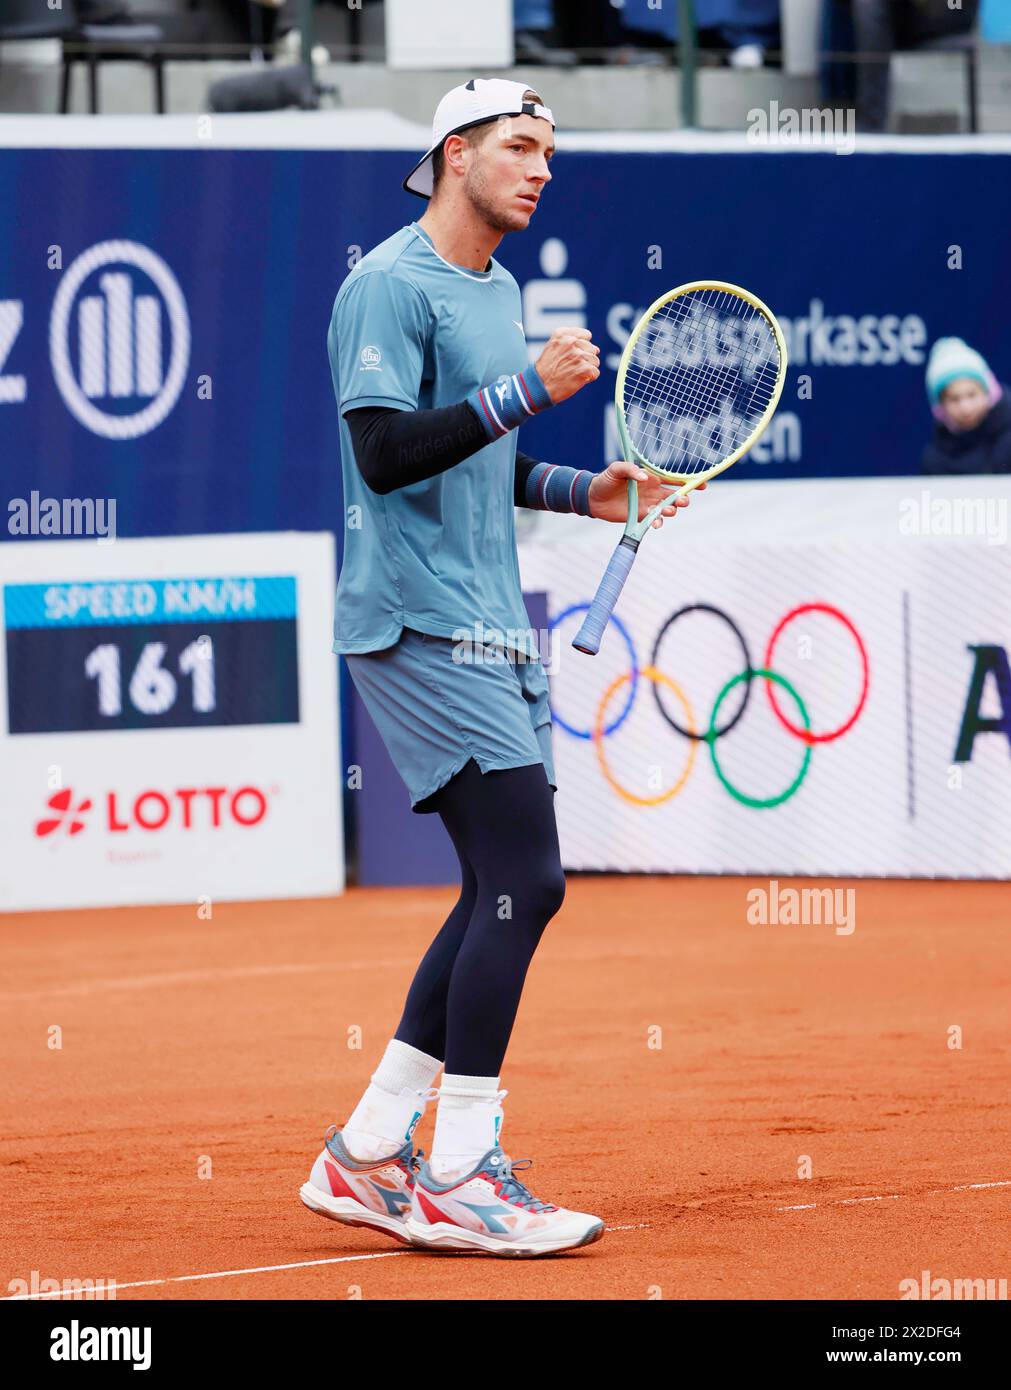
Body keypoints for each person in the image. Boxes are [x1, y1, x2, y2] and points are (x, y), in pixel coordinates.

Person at [299, 78, 694, 1257]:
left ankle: (368, 1150)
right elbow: (384, 455)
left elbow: (481, 463)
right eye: (520, 148)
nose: (540, 170)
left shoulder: (500, 286)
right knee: (531, 873)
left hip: (486, 619)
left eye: (549, 154)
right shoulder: (385, 284)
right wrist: (529, 388)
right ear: (453, 154)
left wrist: (591, 488)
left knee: (495, 886)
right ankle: (462, 1165)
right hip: (413, 620)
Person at [922, 338, 1011, 475]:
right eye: (954, 399)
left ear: (989, 392)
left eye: (972, 395)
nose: (965, 408)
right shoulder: (933, 460)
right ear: (940, 406)